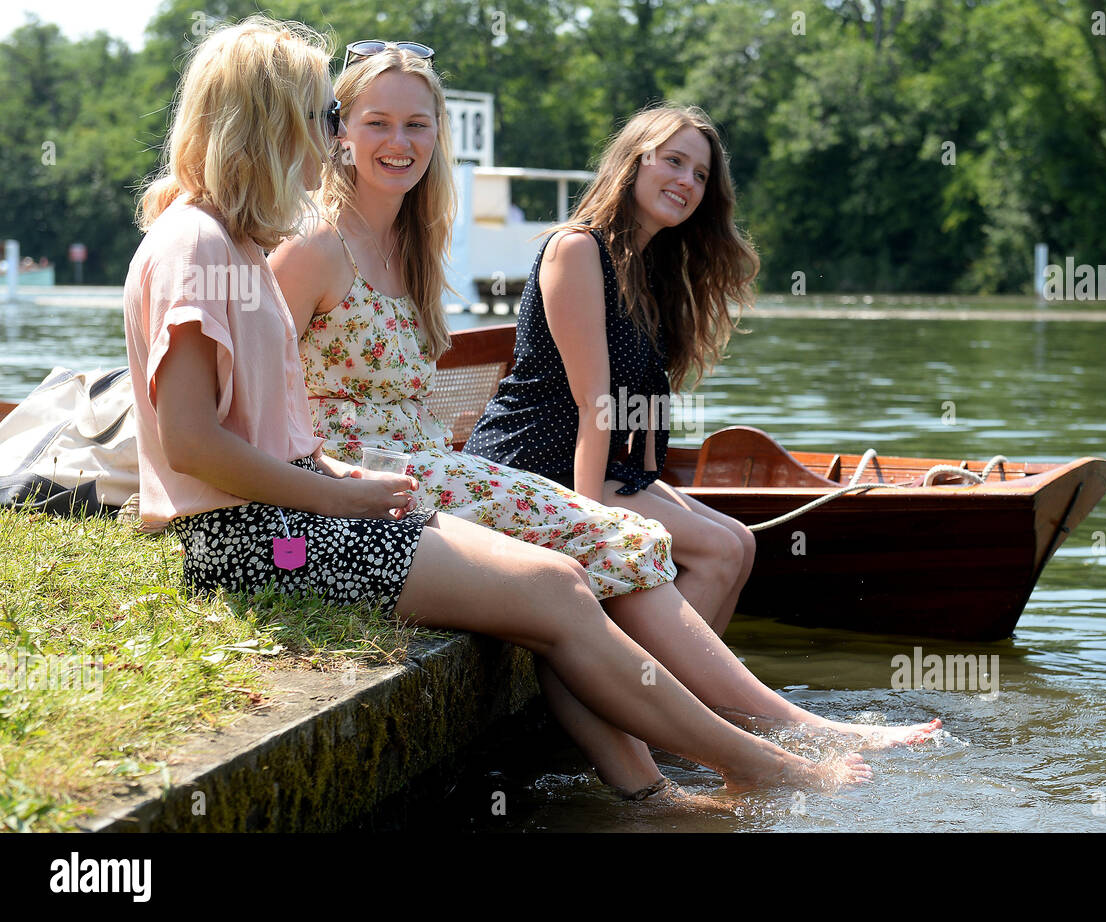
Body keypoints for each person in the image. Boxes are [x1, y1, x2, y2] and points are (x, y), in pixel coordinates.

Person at [124, 16, 872, 803]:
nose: (335, 133)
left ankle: (657, 794)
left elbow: (273, 423)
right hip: (257, 545)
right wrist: (337, 491)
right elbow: (190, 445)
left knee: (559, 577)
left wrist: (332, 476)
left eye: (408, 123)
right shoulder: (199, 246)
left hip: (293, 515)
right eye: (328, 115)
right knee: (560, 582)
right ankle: (756, 763)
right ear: (266, 118)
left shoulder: (234, 244)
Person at [465, 105, 760, 638]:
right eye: (674, 161)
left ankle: (694, 706)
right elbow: (592, 404)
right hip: (531, 464)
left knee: (740, 541)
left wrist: (634, 486)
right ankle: (665, 708)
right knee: (716, 553)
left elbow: (640, 406)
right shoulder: (577, 250)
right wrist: (587, 522)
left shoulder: (649, 270)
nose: (687, 181)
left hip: (600, 468)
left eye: (700, 175)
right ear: (634, 160)